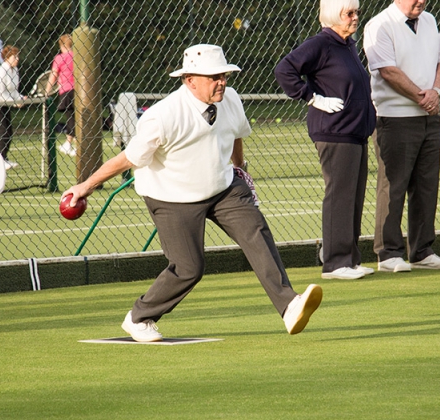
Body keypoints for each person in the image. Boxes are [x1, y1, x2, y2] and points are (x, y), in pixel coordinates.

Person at [62, 44, 322, 342]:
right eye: (213, 77)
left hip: (222, 186)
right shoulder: (163, 116)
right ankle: (139, 317)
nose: (221, 81)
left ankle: (289, 305)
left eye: (223, 75)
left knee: (255, 230)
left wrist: (241, 168)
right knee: (189, 268)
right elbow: (128, 159)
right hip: (171, 196)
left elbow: (235, 133)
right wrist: (85, 186)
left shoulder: (231, 99)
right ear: (189, 80)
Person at [274, 0, 377, 280]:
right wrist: (312, 97)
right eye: (349, 13)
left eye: (357, 12)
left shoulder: (348, 45)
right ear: (334, 15)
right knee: (340, 195)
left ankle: (350, 259)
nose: (356, 17)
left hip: (355, 132)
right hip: (335, 132)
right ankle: (334, 263)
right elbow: (285, 69)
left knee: (354, 196)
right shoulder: (321, 43)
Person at [363, 0, 440, 273]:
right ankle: (388, 254)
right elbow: (387, 71)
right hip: (394, 119)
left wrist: (436, 91)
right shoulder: (379, 25)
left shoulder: (429, 21)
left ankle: (422, 250)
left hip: (430, 117)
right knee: (394, 186)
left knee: (427, 186)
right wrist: (421, 96)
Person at [0, 45, 26, 170]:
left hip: (6, 105)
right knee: (3, 132)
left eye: (18, 56)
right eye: (15, 57)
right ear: (7, 58)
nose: (17, 59)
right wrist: (15, 102)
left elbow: (13, 91)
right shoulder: (1, 71)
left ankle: (3, 158)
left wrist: (20, 98)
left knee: (8, 132)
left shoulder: (15, 71)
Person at [44, 34, 76, 157]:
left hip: (67, 90)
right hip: (78, 91)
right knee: (75, 118)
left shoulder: (59, 58)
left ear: (61, 45)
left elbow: (53, 75)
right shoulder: (76, 56)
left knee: (70, 117)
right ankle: (71, 144)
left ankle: (68, 144)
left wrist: (47, 90)